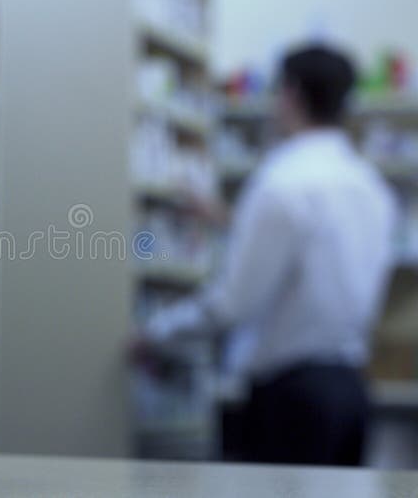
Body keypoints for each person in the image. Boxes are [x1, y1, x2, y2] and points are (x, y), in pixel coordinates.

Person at [139, 44, 397, 466]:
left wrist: (157, 333)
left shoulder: (281, 182)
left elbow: (232, 304)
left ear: (291, 94)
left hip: (292, 398)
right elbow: (316, 250)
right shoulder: (369, 186)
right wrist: (227, 219)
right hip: (351, 392)